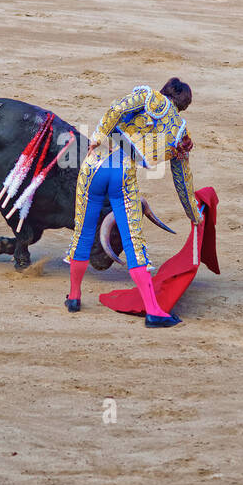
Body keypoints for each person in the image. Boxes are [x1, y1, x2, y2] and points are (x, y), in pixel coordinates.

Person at [64, 80, 202, 328]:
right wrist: (194, 214)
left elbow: (116, 109)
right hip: (122, 174)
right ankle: (153, 311)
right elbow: (182, 180)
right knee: (132, 241)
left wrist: (96, 139)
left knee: (83, 233)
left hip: (93, 166)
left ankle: (74, 297)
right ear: (184, 105)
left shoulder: (149, 97)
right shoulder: (180, 134)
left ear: (165, 91)